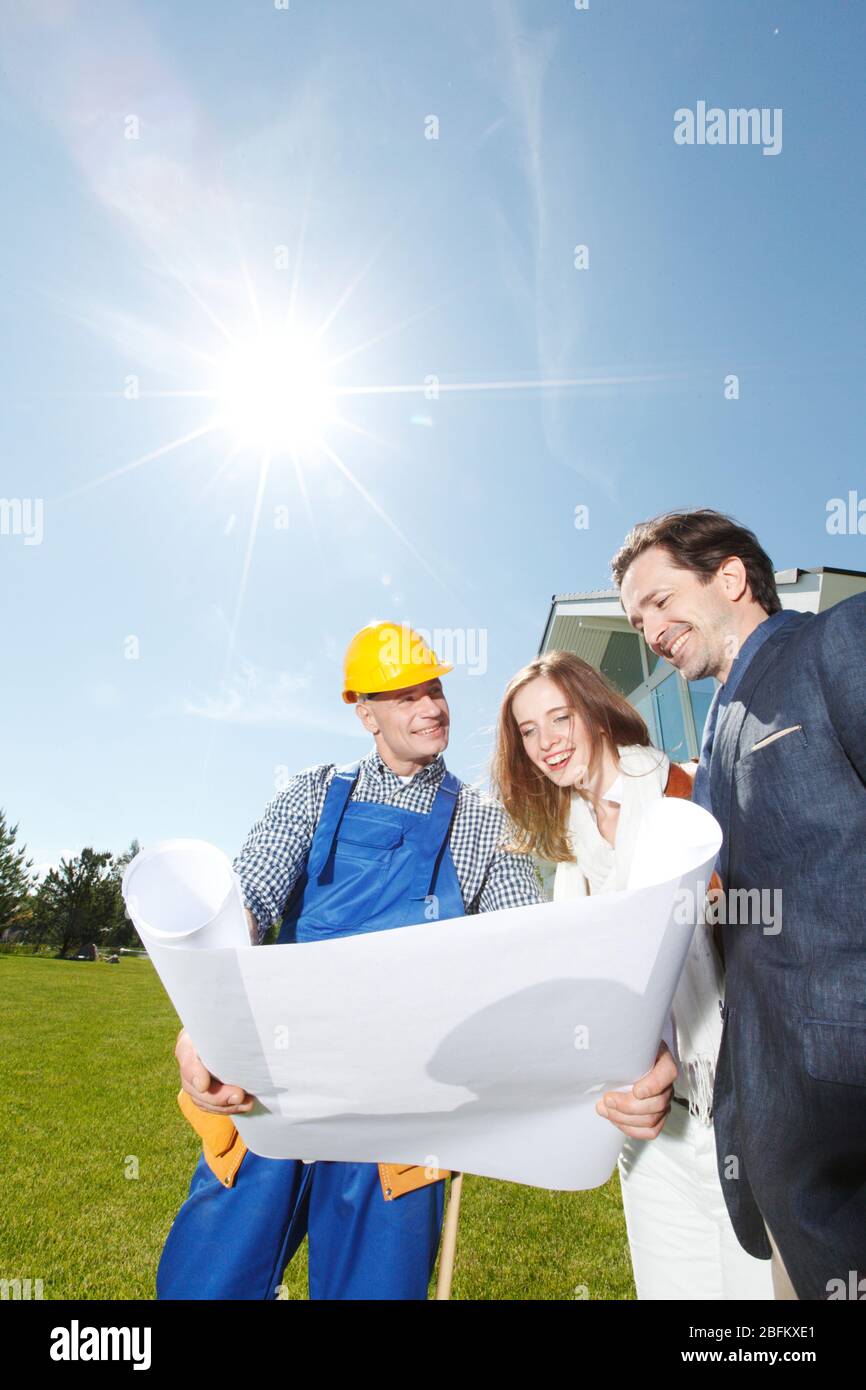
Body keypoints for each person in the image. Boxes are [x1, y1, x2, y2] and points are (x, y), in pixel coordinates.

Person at [158, 620, 550, 1301]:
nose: (430, 707)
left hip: (403, 1103)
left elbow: (522, 943)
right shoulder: (313, 792)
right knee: (207, 1284)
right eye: (403, 696)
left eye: (433, 690)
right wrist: (205, 1022)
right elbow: (244, 904)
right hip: (271, 1082)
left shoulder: (485, 818)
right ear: (364, 712)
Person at [612, 508, 866, 1301]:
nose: (649, 629)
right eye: (635, 619)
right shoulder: (713, 739)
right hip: (779, 1140)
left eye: (659, 601)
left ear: (731, 576)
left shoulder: (838, 642)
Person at [492, 650, 774, 1300]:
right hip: (652, 1137)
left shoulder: (692, 794)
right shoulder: (572, 861)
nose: (546, 742)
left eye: (558, 717)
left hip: (744, 1118)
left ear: (594, 712)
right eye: (528, 731)